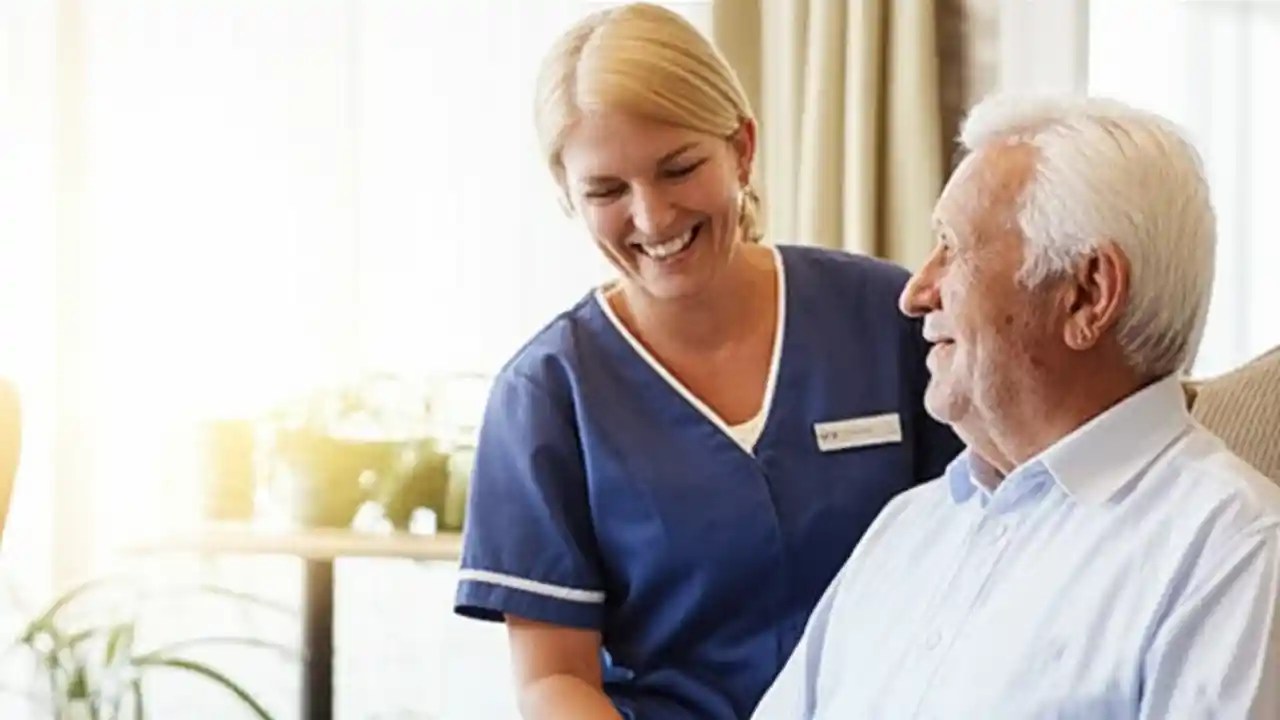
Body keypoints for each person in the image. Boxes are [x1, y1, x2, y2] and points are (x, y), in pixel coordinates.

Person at [452, 3, 962, 718]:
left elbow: (996, 546)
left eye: (679, 168)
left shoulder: (890, 317)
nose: (653, 217)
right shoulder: (548, 394)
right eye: (606, 190)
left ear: (742, 148)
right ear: (566, 194)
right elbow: (554, 682)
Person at [751, 94, 1280, 719]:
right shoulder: (909, 526)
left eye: (953, 247)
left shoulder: (1228, 549)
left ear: (1087, 294)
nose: (917, 294)